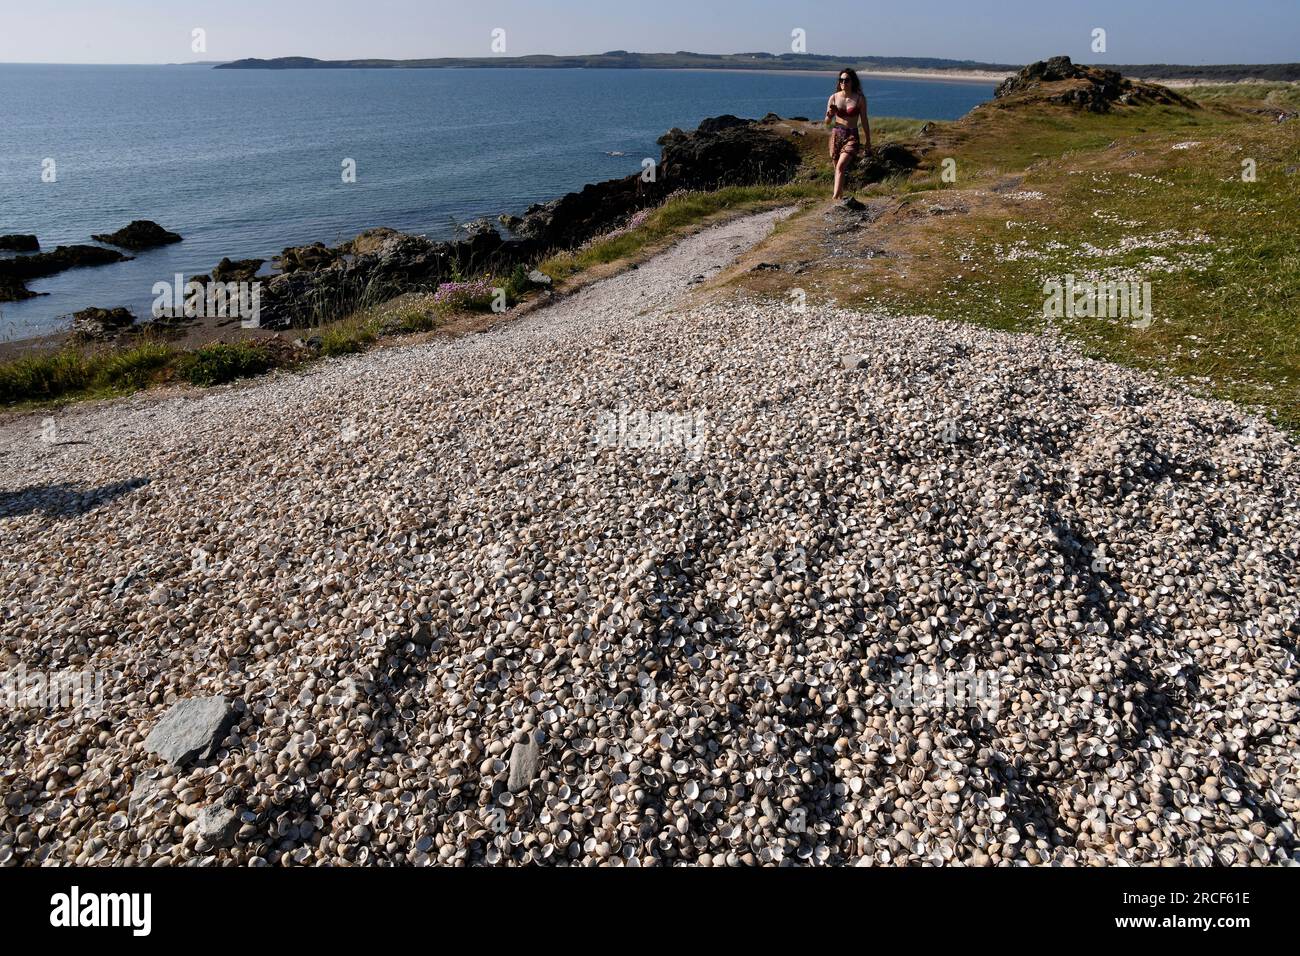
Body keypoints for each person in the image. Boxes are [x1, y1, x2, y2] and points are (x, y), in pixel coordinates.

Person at [826, 68, 873, 201]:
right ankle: (839, 197)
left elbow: (864, 120)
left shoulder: (859, 99)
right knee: (837, 168)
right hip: (836, 134)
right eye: (841, 80)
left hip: (852, 135)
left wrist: (868, 140)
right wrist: (830, 114)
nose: (843, 82)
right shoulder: (834, 97)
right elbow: (827, 122)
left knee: (841, 166)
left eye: (846, 80)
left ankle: (835, 197)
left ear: (852, 82)